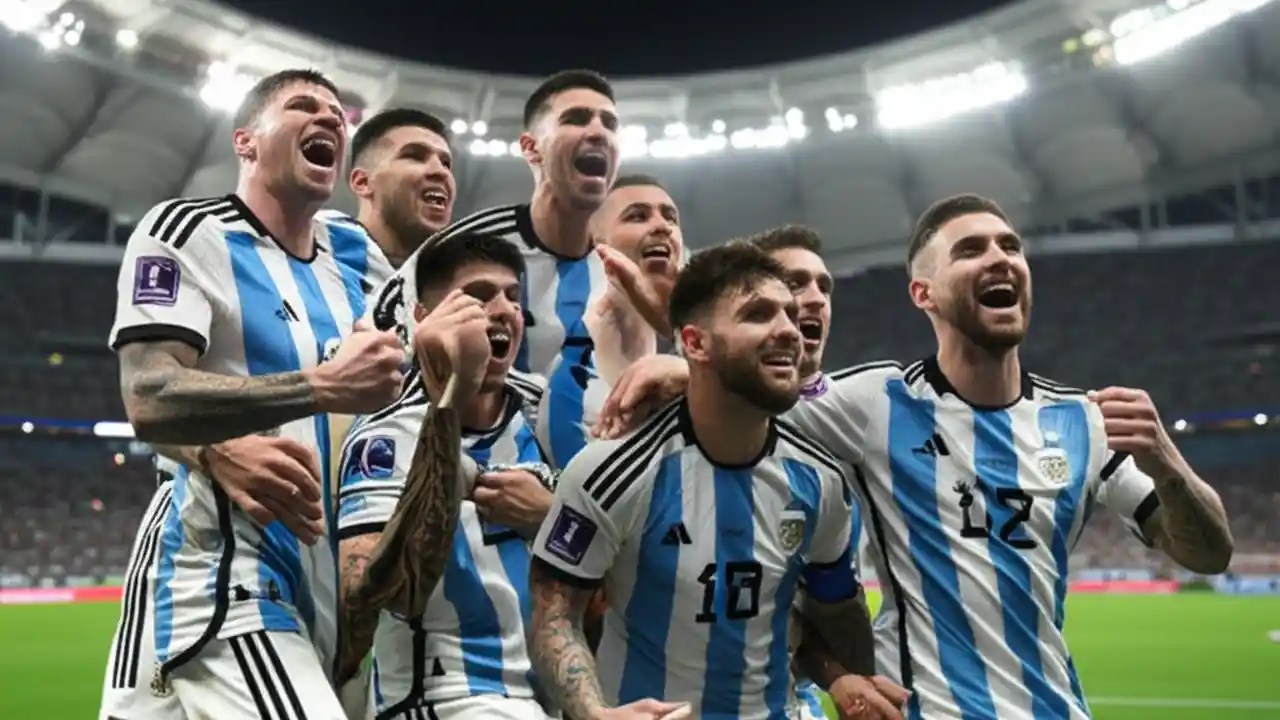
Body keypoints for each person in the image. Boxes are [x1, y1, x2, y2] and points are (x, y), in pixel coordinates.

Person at [595, 194, 1236, 719]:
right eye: (971, 250)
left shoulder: (1083, 421)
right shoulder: (876, 401)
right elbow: (751, 378)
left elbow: (1208, 552)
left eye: (1010, 246)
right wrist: (676, 357)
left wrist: (1166, 463)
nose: (1000, 258)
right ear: (922, 293)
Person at [101, 69, 405, 720]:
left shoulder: (358, 258)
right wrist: (319, 387)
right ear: (245, 141)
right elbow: (148, 393)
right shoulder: (189, 230)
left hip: (331, 577)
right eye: (302, 107)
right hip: (225, 556)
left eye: (338, 115)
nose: (330, 120)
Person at [529, 243, 872, 720]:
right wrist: (594, 713)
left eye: (791, 316)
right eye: (758, 314)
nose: (789, 331)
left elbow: (828, 612)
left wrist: (844, 675)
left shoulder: (821, 480)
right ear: (694, 343)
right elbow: (556, 615)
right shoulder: (611, 471)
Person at [336, 232, 559, 720]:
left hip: (550, 698)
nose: (503, 310)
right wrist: (450, 400)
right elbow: (375, 597)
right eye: (478, 296)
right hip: (443, 700)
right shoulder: (387, 430)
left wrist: (552, 520)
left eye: (513, 297)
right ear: (423, 320)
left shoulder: (546, 410)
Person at [368, 69, 619, 382]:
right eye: (576, 119)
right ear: (531, 148)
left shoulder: (621, 273)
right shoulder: (469, 244)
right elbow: (375, 340)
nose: (599, 133)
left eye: (610, 123)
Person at [540, 173, 684, 468]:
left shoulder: (685, 358)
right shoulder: (575, 383)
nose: (662, 227)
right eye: (637, 216)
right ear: (595, 243)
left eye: (671, 218)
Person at [341, 107, 457, 269]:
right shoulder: (318, 257)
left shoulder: (453, 282)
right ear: (363, 182)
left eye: (446, 163)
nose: (440, 171)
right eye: (415, 156)